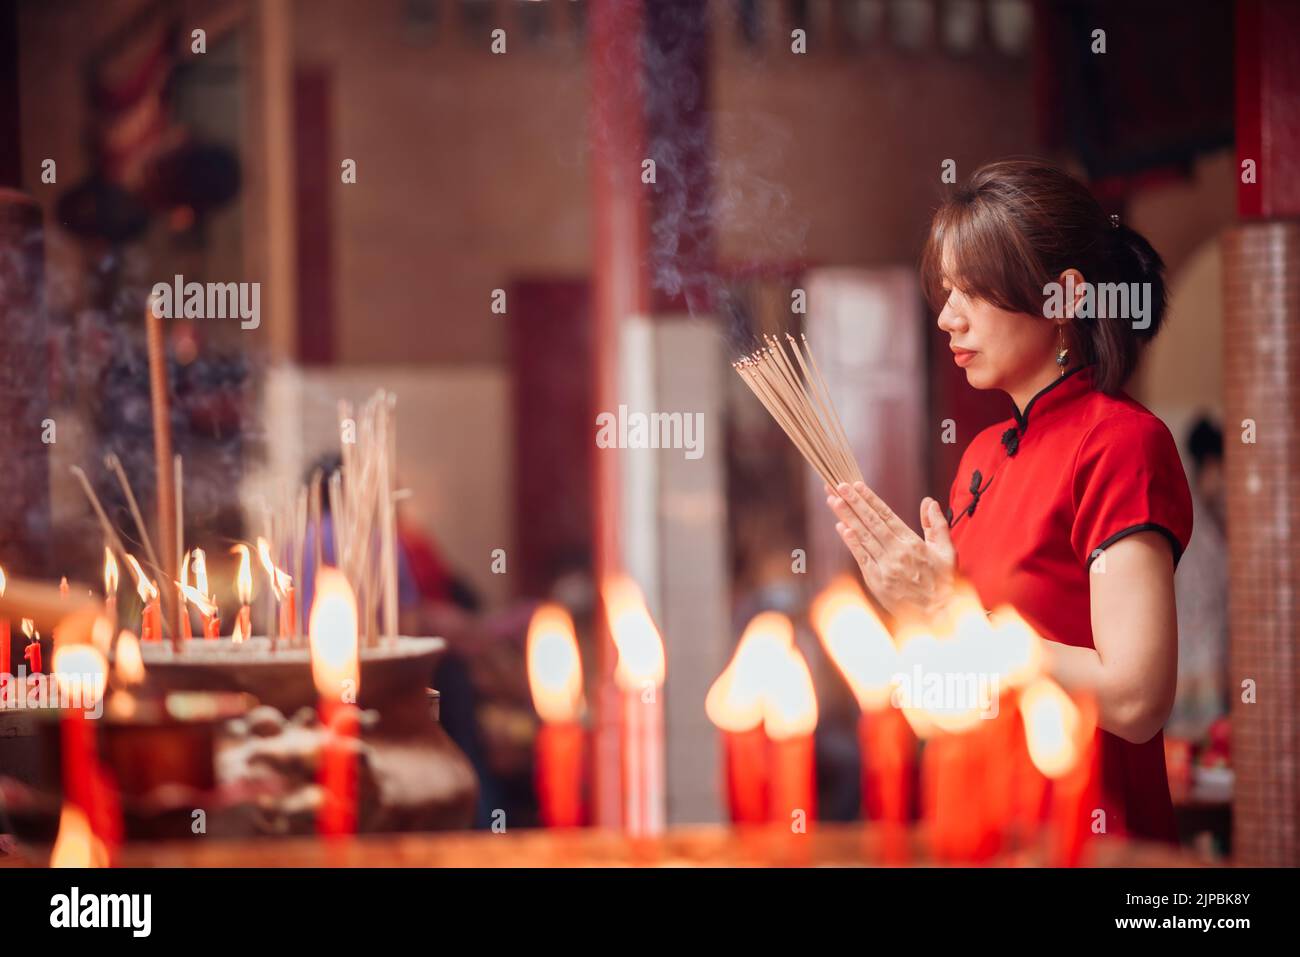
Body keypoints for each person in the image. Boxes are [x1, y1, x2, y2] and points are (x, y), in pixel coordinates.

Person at [824, 160, 1192, 842]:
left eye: (973, 292)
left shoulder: (1120, 443)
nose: (947, 317)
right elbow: (971, 675)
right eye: (946, 291)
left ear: (1063, 298)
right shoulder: (985, 454)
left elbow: (1138, 697)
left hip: (1094, 838)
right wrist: (919, 615)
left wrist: (954, 611)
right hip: (986, 828)